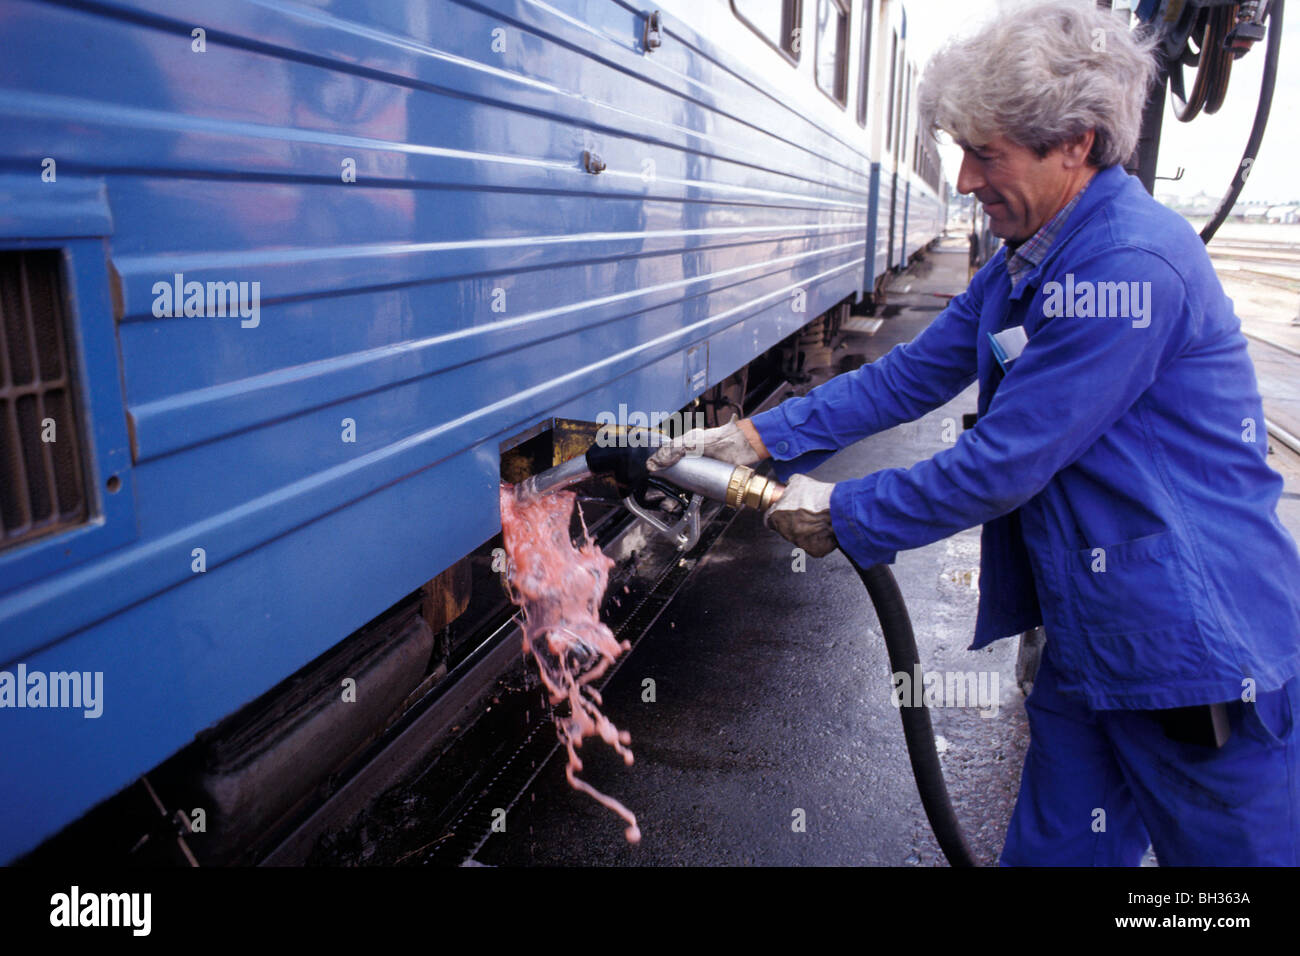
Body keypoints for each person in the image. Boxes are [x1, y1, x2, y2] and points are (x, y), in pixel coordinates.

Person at [648, 0, 1300, 866]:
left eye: (984, 153)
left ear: (1076, 142)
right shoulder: (1032, 255)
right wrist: (759, 438)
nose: (961, 179)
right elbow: (913, 372)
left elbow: (1001, 465)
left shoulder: (1128, 268)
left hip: (1190, 650)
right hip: (1092, 633)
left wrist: (843, 513)